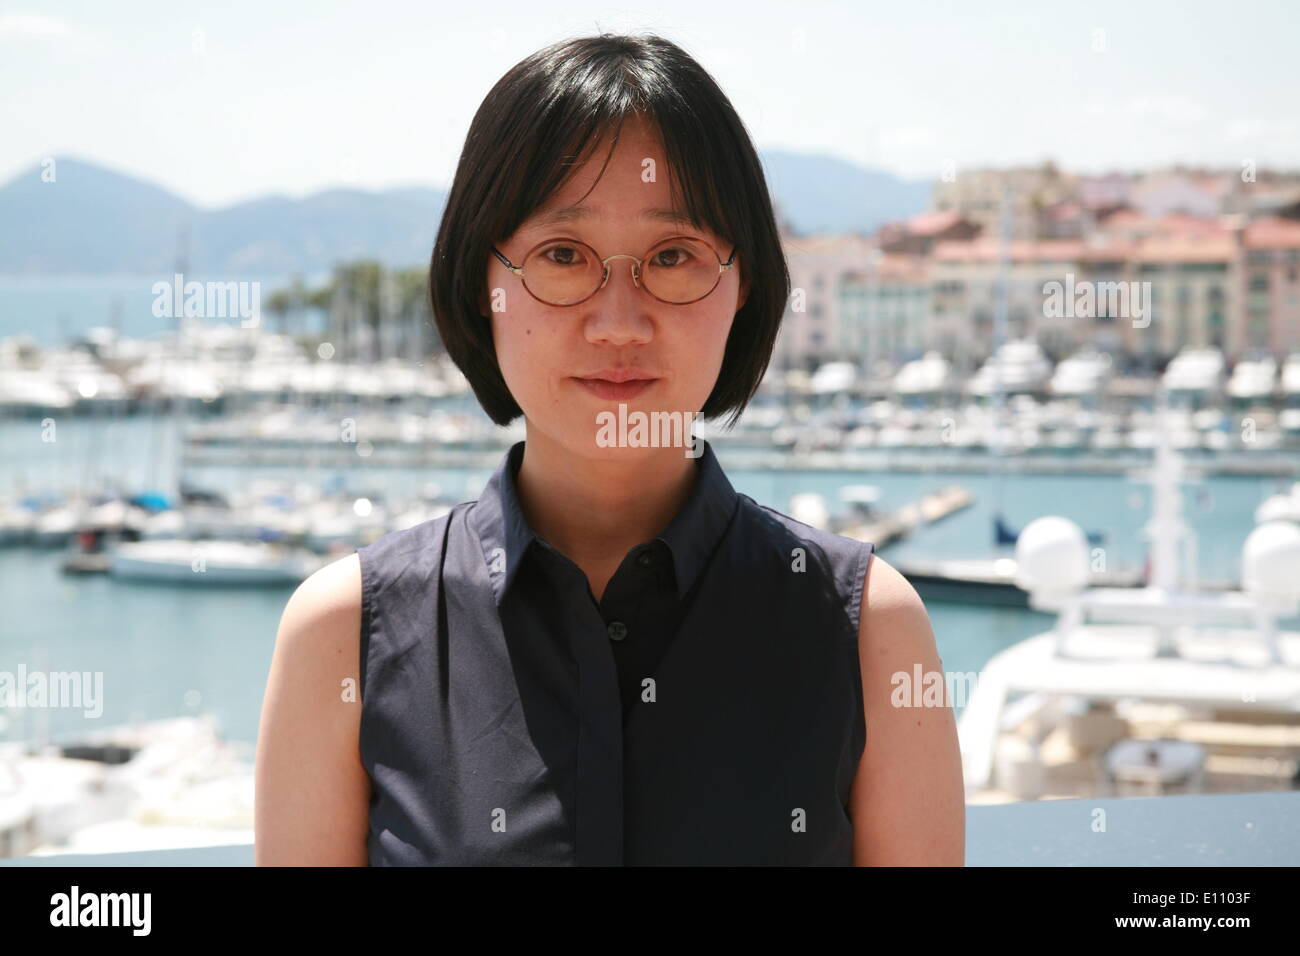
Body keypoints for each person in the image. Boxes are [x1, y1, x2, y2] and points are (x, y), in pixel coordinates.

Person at [255, 32, 964, 866]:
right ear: (479, 286)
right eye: (562, 256)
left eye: (673, 256)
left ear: (746, 288)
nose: (619, 322)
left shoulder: (867, 628)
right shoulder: (345, 632)